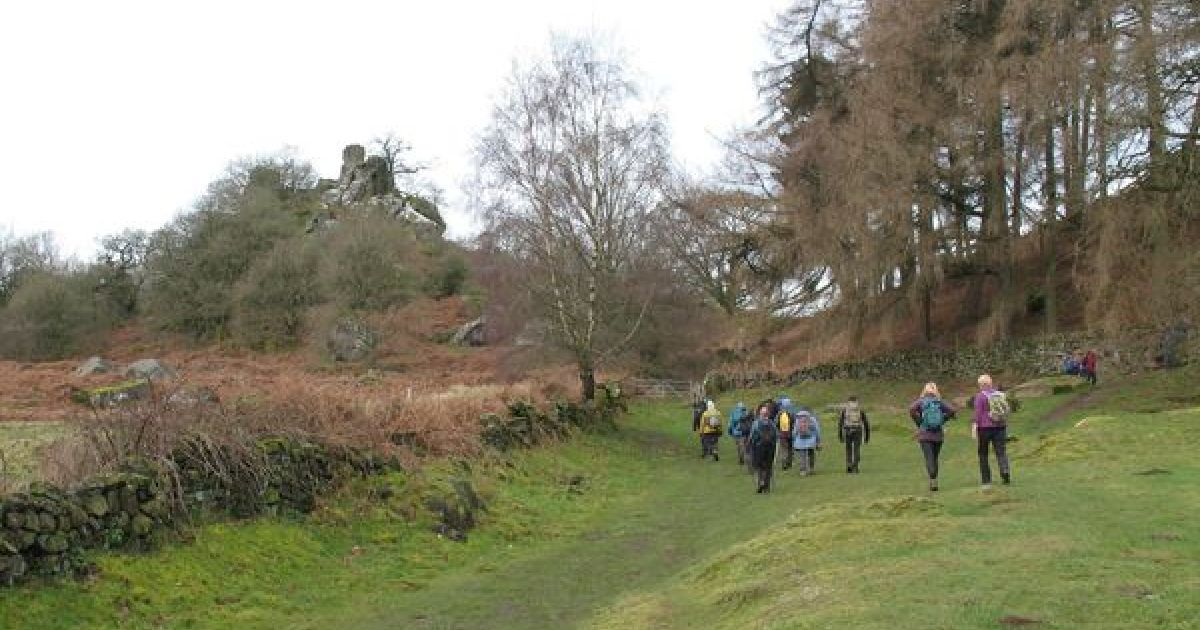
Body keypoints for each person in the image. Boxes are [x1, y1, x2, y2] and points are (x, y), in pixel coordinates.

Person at [909, 382, 956, 492]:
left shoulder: (921, 401)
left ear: (924, 391)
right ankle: (934, 481)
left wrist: (920, 422)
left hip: (925, 435)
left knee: (929, 458)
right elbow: (952, 410)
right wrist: (942, 420)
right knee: (935, 458)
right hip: (938, 435)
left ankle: (932, 479)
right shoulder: (939, 402)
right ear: (935, 390)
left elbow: (911, 409)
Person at [972, 374, 1012, 489]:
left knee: (983, 453)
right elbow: (1006, 409)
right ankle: (1005, 471)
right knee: (1001, 451)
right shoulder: (999, 394)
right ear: (991, 383)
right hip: (1000, 426)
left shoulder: (980, 397)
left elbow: (978, 413)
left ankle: (986, 479)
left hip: (984, 428)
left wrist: (975, 426)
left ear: (981, 385)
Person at [748, 403, 778, 493]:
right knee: (768, 467)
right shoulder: (771, 423)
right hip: (770, 448)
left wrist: (749, 444)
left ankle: (761, 482)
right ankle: (767, 487)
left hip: (758, 448)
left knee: (759, 466)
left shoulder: (756, 423)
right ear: (767, 414)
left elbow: (752, 435)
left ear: (760, 414)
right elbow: (776, 435)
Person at [838, 395, 871, 473]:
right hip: (858, 430)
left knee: (848, 449)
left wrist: (840, 435)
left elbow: (840, 423)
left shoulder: (845, 411)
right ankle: (855, 467)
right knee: (856, 449)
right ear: (857, 402)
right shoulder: (860, 411)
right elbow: (866, 423)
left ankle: (849, 465)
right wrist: (867, 436)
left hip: (848, 430)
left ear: (848, 402)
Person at [791, 405, 822, 476]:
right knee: (811, 454)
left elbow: (795, 431)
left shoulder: (798, 419)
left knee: (802, 456)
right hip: (811, 440)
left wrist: (794, 439)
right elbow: (817, 430)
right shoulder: (812, 419)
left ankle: (803, 470)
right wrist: (818, 440)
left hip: (800, 440)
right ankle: (811, 469)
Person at [773, 395, 795, 470]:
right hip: (790, 433)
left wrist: (778, 431)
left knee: (784, 449)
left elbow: (775, 424)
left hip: (782, 434)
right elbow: (794, 423)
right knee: (790, 448)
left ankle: (784, 463)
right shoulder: (792, 413)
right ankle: (789, 463)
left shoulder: (779, 413)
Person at [727, 402, 752, 466]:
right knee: (746, 446)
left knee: (739, 446)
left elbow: (730, 423)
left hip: (737, 432)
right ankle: (747, 457)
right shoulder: (747, 412)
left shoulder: (734, 413)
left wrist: (730, 431)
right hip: (746, 432)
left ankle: (742, 459)